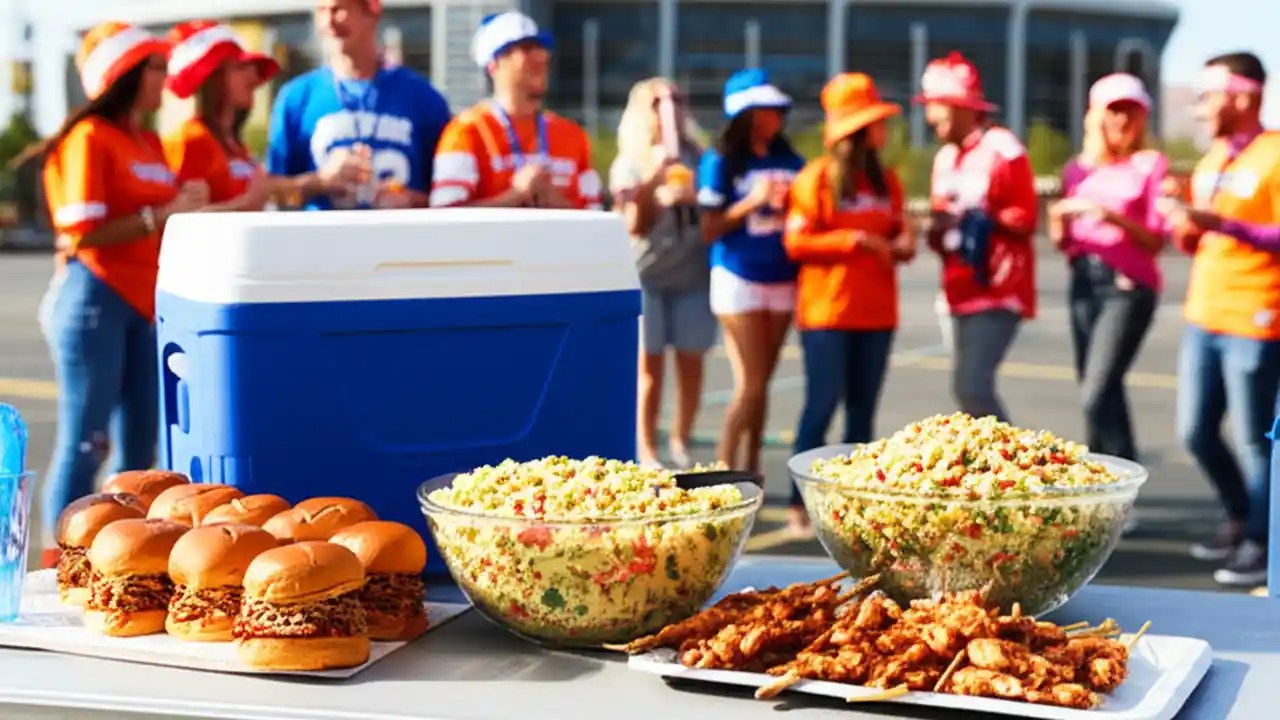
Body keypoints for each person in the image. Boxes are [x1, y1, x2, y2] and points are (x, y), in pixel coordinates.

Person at [10, 22, 211, 567]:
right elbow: (82, 232)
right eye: (156, 68)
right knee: (85, 444)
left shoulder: (146, 139)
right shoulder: (89, 137)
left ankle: (127, 561)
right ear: (125, 74)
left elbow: (162, 212)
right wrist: (161, 213)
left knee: (141, 450)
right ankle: (58, 563)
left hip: (143, 303)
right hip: (94, 298)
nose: (166, 79)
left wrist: (184, 203)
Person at [1164, 52, 1280, 586]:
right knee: (1195, 431)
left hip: (1256, 314)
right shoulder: (1212, 159)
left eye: (1208, 96)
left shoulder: (1274, 154)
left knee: (1256, 438)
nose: (1200, 107)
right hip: (1204, 312)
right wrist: (1184, 224)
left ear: (1242, 95)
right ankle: (1241, 518)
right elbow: (1198, 240)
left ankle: (1262, 540)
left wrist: (1222, 224)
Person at [783, 73, 915, 534]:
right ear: (857, 130)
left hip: (876, 313)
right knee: (820, 407)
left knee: (862, 414)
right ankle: (799, 502)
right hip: (827, 314)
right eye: (877, 122)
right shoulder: (815, 179)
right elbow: (796, 242)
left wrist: (904, 241)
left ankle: (851, 506)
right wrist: (853, 240)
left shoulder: (887, 180)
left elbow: (900, 235)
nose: (884, 130)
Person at [1048, 73, 1166, 466]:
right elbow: (1066, 243)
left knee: (1097, 391)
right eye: (1114, 110)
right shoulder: (1077, 170)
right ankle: (1102, 482)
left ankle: (1122, 478)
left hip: (1127, 287)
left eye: (1131, 111)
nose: (1122, 120)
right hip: (1085, 280)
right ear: (1095, 115)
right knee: (1097, 390)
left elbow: (1155, 240)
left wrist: (1108, 215)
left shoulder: (1149, 164)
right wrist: (1057, 222)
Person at [918, 52, 1037, 422]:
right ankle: (988, 457)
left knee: (973, 386)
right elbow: (942, 230)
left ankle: (1015, 457)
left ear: (962, 106)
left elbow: (1026, 218)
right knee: (965, 392)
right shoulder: (943, 159)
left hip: (999, 288)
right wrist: (937, 229)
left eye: (936, 105)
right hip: (957, 289)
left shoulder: (1003, 148)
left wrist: (982, 218)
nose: (929, 116)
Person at [697, 68, 804, 474]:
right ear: (748, 114)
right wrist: (751, 202)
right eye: (768, 109)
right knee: (751, 382)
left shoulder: (791, 160)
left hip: (783, 279)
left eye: (779, 109)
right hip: (737, 277)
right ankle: (724, 472)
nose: (778, 116)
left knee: (761, 385)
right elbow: (708, 229)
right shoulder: (720, 161)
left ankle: (752, 468)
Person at [609, 78, 715, 469]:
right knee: (648, 370)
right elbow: (632, 224)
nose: (669, 108)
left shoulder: (698, 156)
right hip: (646, 276)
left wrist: (694, 195)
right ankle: (647, 448)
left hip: (691, 274)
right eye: (658, 102)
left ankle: (681, 439)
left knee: (691, 363)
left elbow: (717, 207)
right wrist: (654, 180)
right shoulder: (630, 161)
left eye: (676, 100)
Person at [267, 0, 451, 210]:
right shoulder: (296, 97)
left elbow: (450, 196)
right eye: (321, 11)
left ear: (371, 12)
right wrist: (321, 181)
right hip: (322, 231)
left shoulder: (422, 98)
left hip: (400, 231)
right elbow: (270, 196)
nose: (328, 21)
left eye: (338, 10)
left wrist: (411, 201)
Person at [430, 11, 601, 209]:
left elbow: (598, 217)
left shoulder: (573, 135)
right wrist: (515, 196)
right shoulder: (467, 131)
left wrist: (556, 202)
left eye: (541, 48)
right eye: (525, 49)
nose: (540, 57)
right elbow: (445, 216)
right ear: (494, 64)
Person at [163, 21, 279, 209]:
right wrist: (248, 203)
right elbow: (183, 218)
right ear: (213, 78)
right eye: (240, 68)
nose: (254, 77)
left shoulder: (236, 145)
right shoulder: (191, 140)